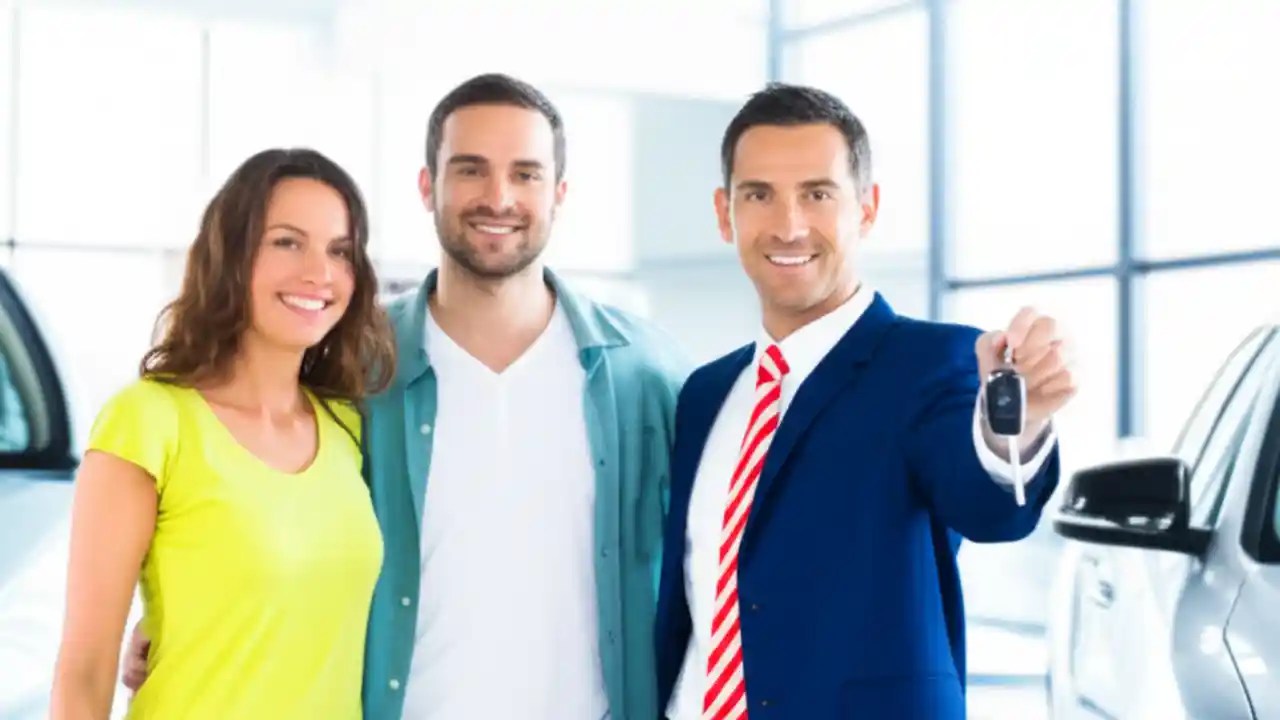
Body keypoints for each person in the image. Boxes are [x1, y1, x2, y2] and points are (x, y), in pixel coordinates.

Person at [654, 84, 1078, 719]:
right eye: (759, 194)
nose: (789, 224)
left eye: (817, 194)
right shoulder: (706, 394)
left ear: (868, 209)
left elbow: (989, 508)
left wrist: (1016, 426)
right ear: (725, 214)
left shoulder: (932, 365)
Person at [52, 148, 396, 719]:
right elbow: (84, 672)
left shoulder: (349, 429)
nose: (320, 271)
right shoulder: (148, 421)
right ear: (232, 253)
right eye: (288, 241)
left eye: (340, 251)